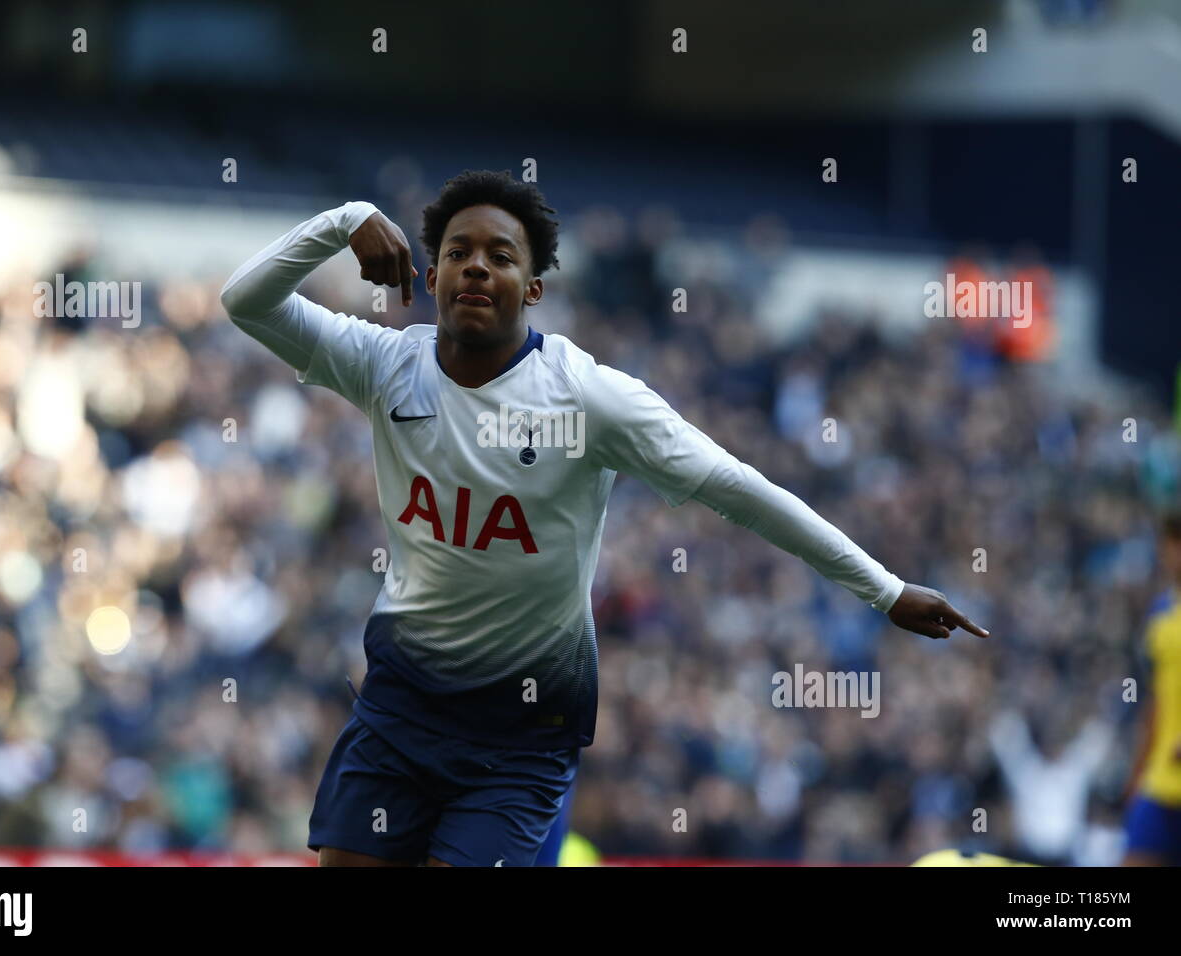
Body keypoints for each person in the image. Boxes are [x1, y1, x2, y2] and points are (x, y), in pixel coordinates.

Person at [219, 169, 988, 867]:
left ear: (534, 289)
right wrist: (343, 219)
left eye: (501, 255)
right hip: (399, 706)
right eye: (459, 252)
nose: (478, 266)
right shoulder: (388, 365)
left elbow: (738, 485)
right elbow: (243, 300)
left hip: (521, 734)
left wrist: (883, 589)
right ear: (432, 272)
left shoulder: (586, 399)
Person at [1121, 511, 1181, 865]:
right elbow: (1157, 701)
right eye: (1169, 543)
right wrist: (1137, 772)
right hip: (1162, 780)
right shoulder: (1160, 614)